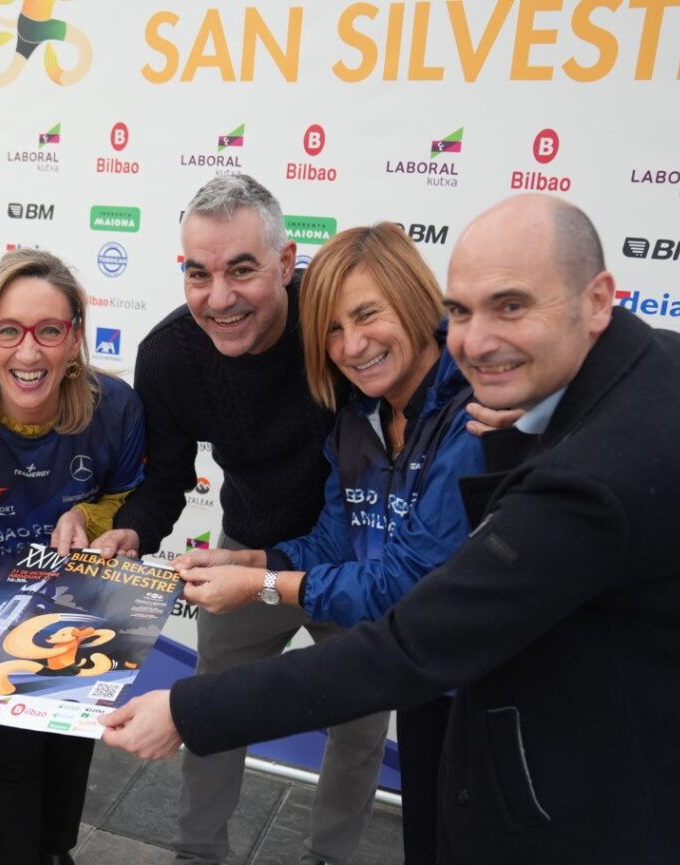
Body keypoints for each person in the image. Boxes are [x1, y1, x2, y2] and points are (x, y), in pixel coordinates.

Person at [102, 194, 680, 865]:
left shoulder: (574, 467)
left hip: (645, 813)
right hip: (566, 746)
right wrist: (261, 558)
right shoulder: (659, 365)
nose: (478, 340)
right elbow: (345, 535)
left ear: (598, 299)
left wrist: (198, 696)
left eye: (512, 306)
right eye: (463, 311)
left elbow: (413, 628)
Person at [87, 174, 384, 865]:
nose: (218, 298)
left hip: (354, 555)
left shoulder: (339, 327)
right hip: (244, 546)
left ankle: (332, 857)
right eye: (200, 273)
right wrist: (132, 529)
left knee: (362, 724)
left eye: (242, 269)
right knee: (213, 714)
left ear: (287, 264)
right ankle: (198, 854)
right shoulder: (168, 354)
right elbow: (165, 479)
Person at [170, 223, 484, 864]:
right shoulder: (359, 415)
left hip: (479, 686)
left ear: (418, 302)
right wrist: (251, 560)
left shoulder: (475, 414)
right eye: (334, 330)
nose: (352, 345)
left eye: (368, 315)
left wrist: (261, 582)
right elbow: (339, 538)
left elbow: (407, 578)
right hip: (425, 673)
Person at [0, 248, 146, 865]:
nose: (29, 352)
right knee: (13, 751)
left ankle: (56, 850)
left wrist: (90, 518)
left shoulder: (116, 405)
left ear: (75, 339)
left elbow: (130, 498)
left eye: (49, 330)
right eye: (8, 330)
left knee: (71, 743)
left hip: (78, 597)